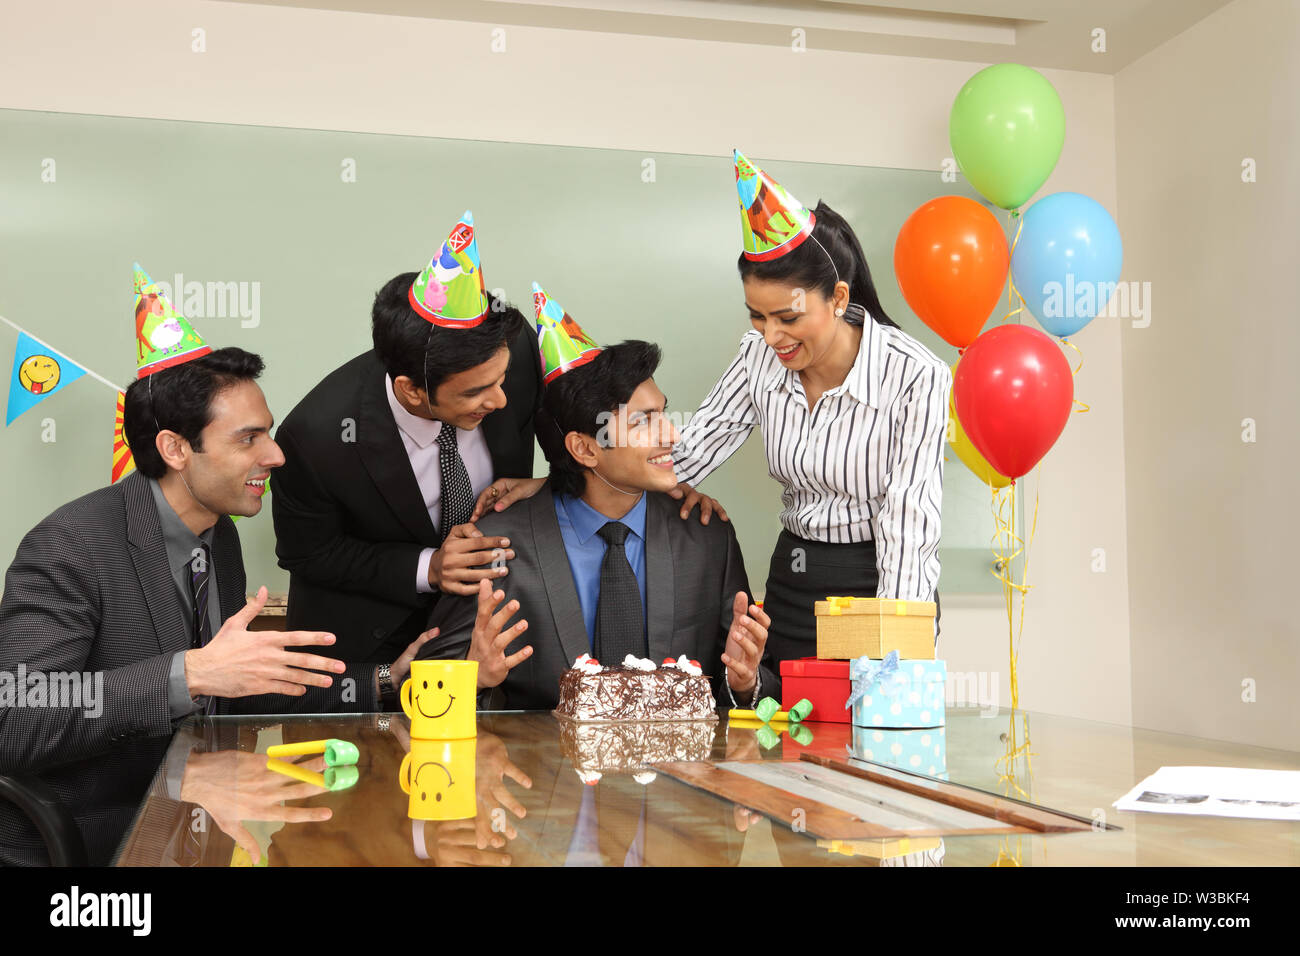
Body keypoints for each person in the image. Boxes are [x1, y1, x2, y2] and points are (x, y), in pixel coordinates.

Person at [0, 268, 424, 865]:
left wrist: (384, 680)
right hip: (89, 840)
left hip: (196, 828)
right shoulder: (70, 545)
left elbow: (231, 686)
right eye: (248, 439)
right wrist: (187, 674)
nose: (276, 455)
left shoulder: (217, 534)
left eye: (269, 434)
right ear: (176, 449)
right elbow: (17, 717)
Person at [419, 286, 778, 711]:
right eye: (645, 421)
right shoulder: (497, 545)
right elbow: (428, 691)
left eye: (663, 412)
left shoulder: (704, 536)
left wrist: (745, 683)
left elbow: (750, 692)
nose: (672, 434)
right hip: (542, 773)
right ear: (585, 449)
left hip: (672, 773)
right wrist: (474, 679)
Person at [670, 150, 951, 666]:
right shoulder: (758, 355)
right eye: (757, 316)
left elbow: (910, 523)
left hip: (879, 582)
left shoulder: (914, 374)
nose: (770, 336)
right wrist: (565, 483)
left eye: (787, 317)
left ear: (838, 298)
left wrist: (895, 654)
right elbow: (687, 453)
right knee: (778, 729)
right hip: (794, 580)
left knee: (872, 735)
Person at [271, 212, 545, 691]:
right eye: (478, 392)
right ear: (412, 391)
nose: (501, 400)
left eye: (502, 382)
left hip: (490, 634)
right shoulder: (316, 436)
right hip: (369, 648)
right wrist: (430, 567)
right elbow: (310, 554)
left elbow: (584, 448)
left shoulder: (512, 359)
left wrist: (546, 483)